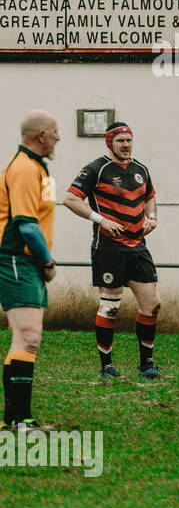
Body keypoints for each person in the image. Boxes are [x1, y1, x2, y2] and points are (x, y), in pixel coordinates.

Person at [64, 121, 163, 380]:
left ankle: (147, 365)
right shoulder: (97, 168)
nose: (126, 145)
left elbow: (150, 195)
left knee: (152, 305)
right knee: (110, 308)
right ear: (110, 143)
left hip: (138, 248)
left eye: (129, 140)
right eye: (120, 141)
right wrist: (101, 220)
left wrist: (151, 218)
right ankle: (107, 367)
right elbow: (70, 199)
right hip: (108, 249)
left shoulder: (141, 168)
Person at [0, 111, 60, 430]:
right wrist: (47, 261)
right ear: (40, 135)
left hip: (27, 261)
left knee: (24, 339)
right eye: (54, 132)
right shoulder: (24, 168)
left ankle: (15, 419)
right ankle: (20, 421)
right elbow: (26, 225)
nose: (58, 137)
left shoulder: (40, 168)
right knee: (28, 336)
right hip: (16, 258)